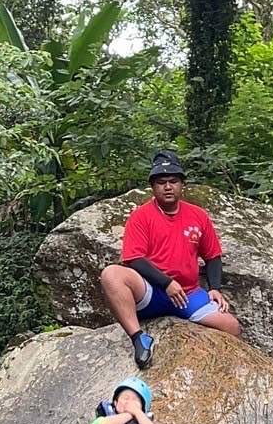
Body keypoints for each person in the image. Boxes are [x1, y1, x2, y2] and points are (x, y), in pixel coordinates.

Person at [100, 151, 241, 371]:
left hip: (187, 294)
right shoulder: (141, 216)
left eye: (173, 181)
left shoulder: (198, 215)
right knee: (111, 274)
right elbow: (133, 258)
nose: (168, 187)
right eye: (161, 182)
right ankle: (139, 338)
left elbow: (212, 255)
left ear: (182, 184)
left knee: (231, 326)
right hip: (152, 293)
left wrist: (215, 288)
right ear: (153, 187)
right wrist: (166, 283)